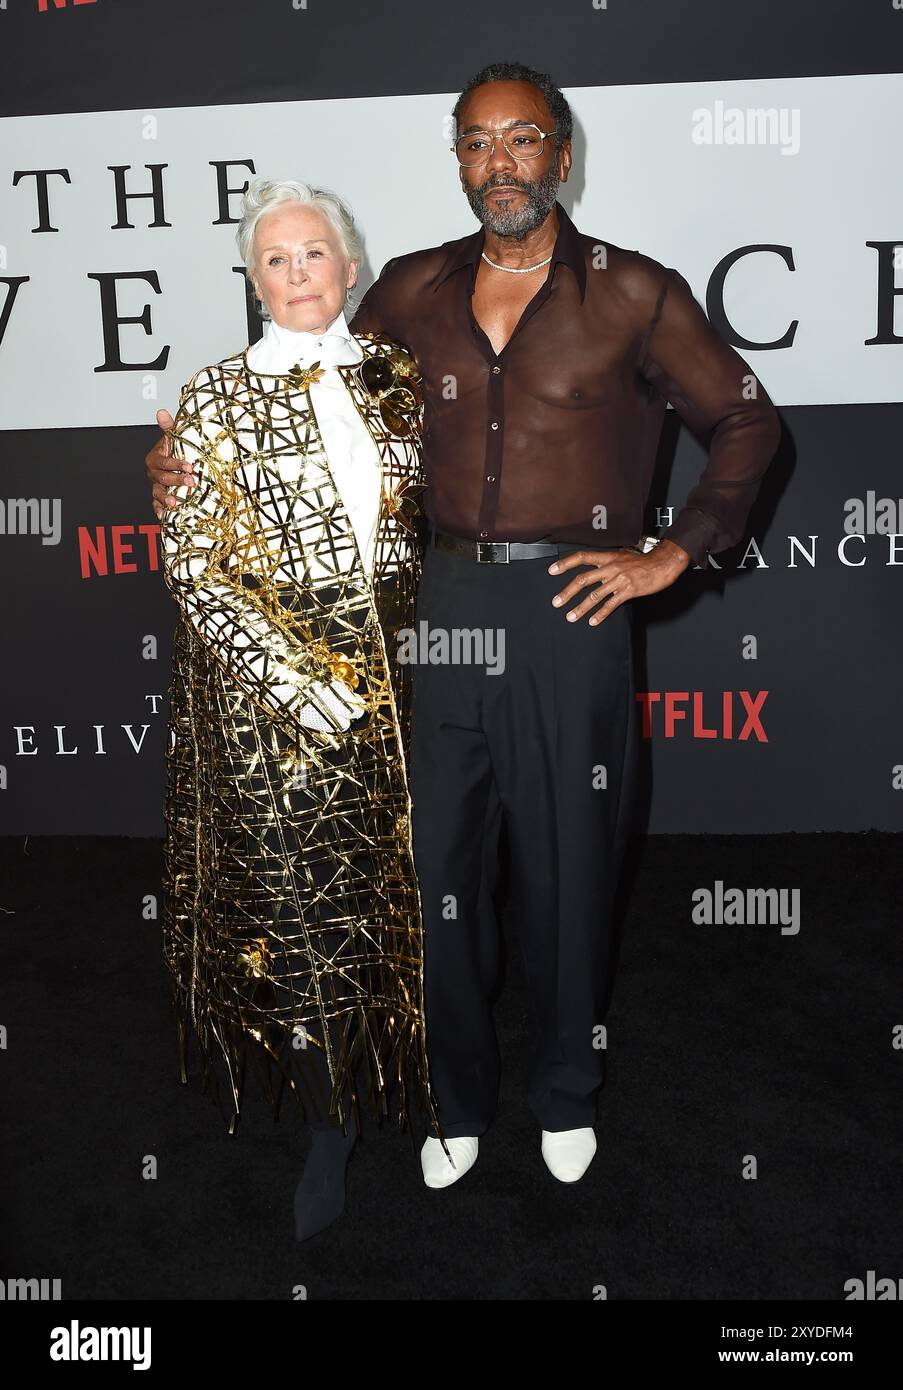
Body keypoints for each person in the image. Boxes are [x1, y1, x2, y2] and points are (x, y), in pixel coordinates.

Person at [148, 62, 781, 1194]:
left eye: (521, 139)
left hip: (569, 613)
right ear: (458, 161)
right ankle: (454, 1097)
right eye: (477, 143)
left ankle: (565, 1091)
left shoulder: (635, 292)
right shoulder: (406, 289)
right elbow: (313, 382)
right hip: (434, 613)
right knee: (432, 868)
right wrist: (188, 461)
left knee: (568, 866)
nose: (500, 162)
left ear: (561, 153)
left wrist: (674, 553)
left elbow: (744, 419)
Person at [157, 176, 439, 1241]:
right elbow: (195, 568)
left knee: (409, 897)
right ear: (252, 279)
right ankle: (333, 1125)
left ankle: (424, 1079)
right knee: (308, 918)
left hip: (416, 691)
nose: (294, 274)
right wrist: (304, 686)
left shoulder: (403, 383)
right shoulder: (215, 396)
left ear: (351, 263)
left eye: (311, 252)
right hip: (284, 716)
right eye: (272, 260)